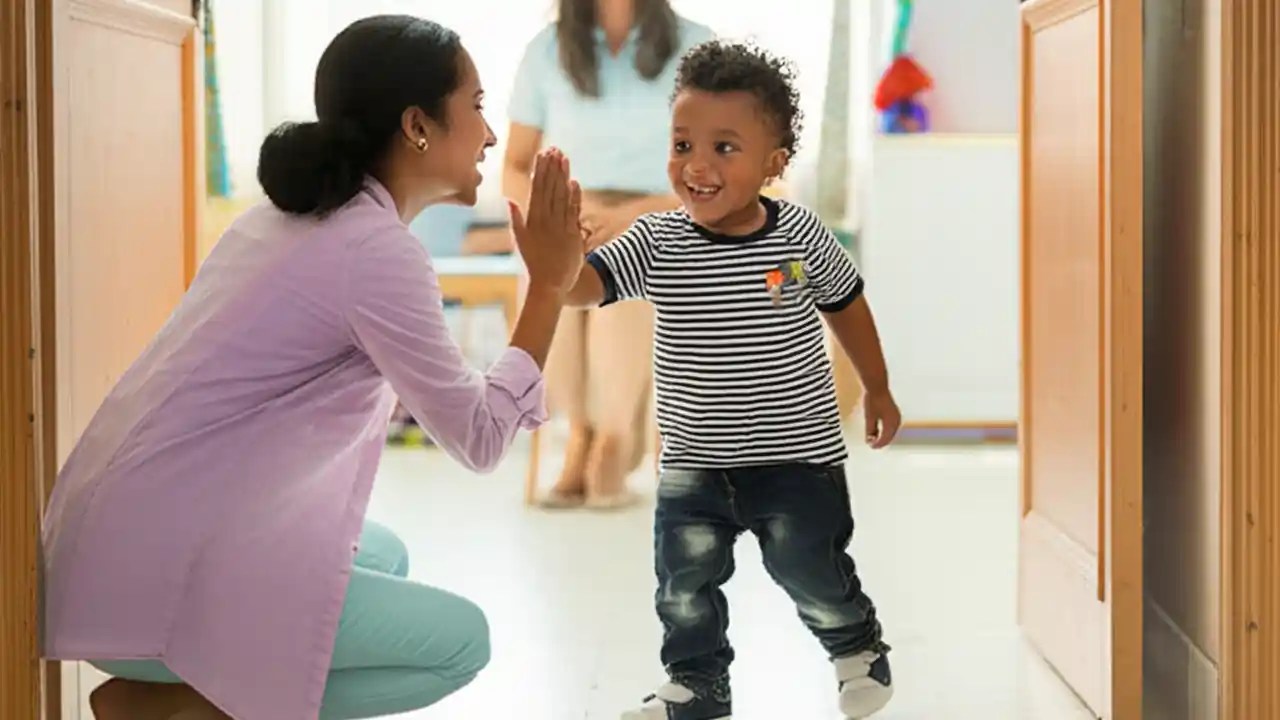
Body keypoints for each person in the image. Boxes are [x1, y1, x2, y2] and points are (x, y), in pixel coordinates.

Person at [41, 15, 586, 720]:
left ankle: (171, 699)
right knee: (460, 643)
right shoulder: (375, 251)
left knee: (378, 555)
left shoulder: (287, 217)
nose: (489, 134)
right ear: (417, 125)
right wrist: (547, 286)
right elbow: (481, 439)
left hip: (106, 547)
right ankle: (180, 710)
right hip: (143, 585)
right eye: (477, 107)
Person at [563, 40, 903, 719]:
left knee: (809, 572)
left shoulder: (799, 238)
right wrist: (558, 256)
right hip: (694, 461)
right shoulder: (656, 241)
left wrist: (878, 386)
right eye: (683, 144)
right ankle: (696, 686)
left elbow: (846, 306)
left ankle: (857, 646)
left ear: (774, 164)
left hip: (796, 458)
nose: (697, 166)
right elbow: (581, 290)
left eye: (724, 148)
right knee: (683, 586)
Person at [503, 0, 713, 509]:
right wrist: (558, 213)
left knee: (626, 265)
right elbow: (514, 166)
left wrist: (639, 213)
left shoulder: (695, 46)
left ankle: (614, 440)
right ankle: (578, 435)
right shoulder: (546, 50)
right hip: (573, 208)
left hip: (663, 209)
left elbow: (718, 161)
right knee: (550, 276)